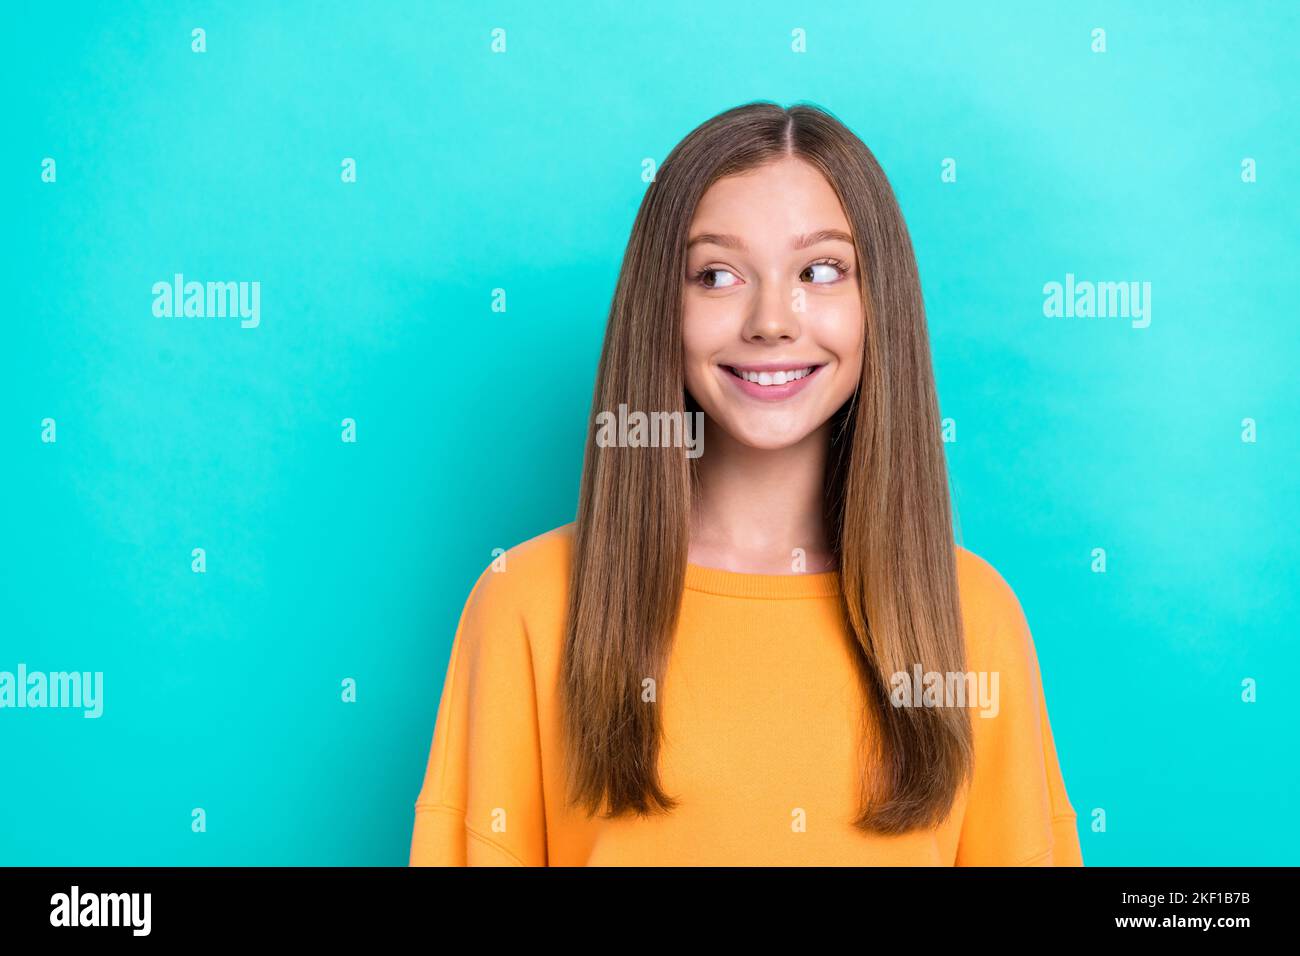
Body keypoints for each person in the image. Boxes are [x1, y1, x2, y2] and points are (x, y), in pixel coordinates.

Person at [409, 101, 1083, 866]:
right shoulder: (526, 603)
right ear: (663, 308)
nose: (772, 320)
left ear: (877, 307)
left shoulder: (972, 618)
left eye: (820, 270)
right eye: (718, 274)